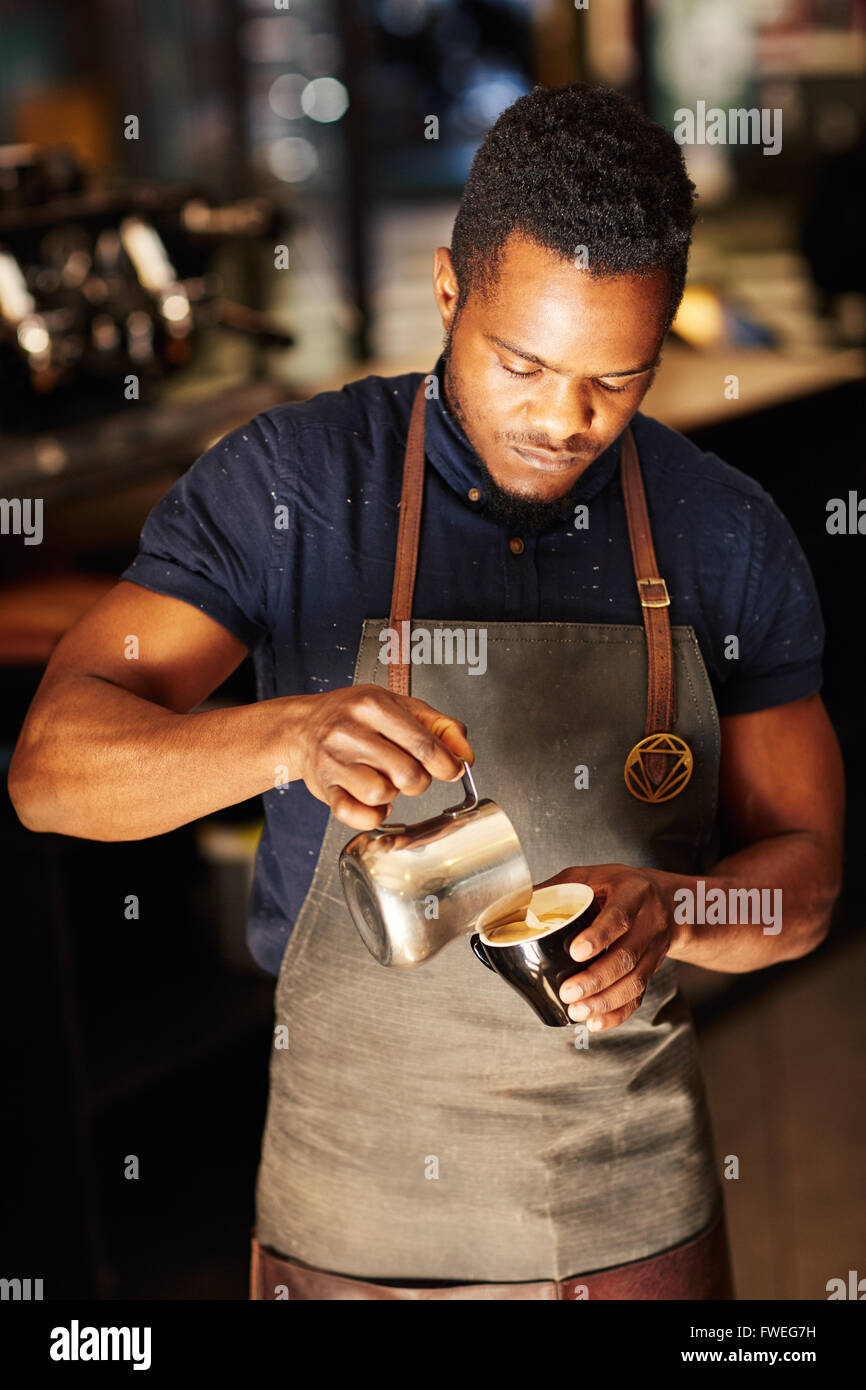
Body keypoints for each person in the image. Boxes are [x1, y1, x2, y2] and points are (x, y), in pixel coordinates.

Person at [9, 83, 844, 1301]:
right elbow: (49, 773)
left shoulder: (724, 533)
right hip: (343, 1217)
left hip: (624, 1223)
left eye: (619, 379)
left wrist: (683, 909)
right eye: (522, 363)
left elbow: (807, 886)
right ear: (447, 294)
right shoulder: (287, 485)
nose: (565, 419)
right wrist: (282, 734)